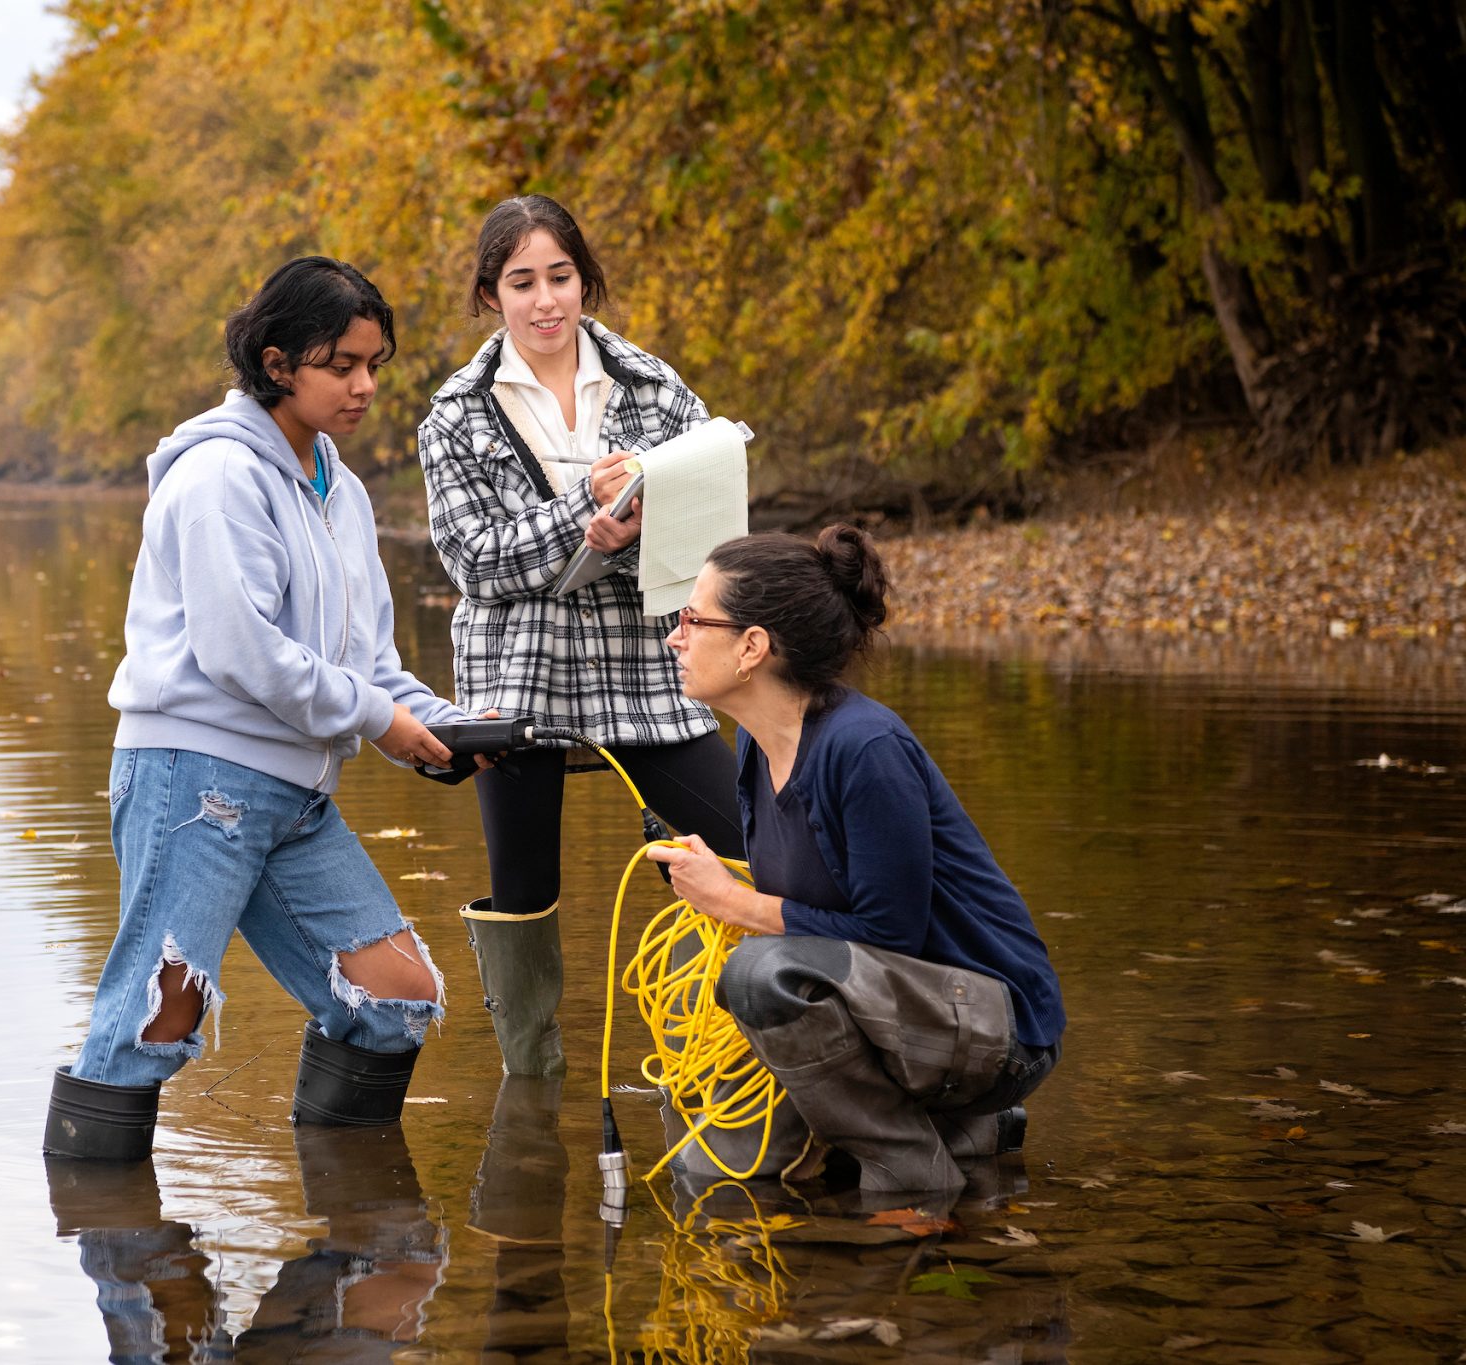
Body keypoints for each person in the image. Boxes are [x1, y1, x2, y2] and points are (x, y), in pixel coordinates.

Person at [44, 256, 475, 1162]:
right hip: (193, 779)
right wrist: (376, 720)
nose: (364, 387)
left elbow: (370, 665)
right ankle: (111, 1247)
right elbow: (240, 651)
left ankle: (349, 1235)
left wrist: (446, 726)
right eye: (342, 366)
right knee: (155, 1018)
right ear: (280, 364)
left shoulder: (342, 492)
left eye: (373, 365)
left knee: (394, 998)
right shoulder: (218, 479)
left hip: (294, 795)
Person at [418, 194, 746, 1077]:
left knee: (748, 843)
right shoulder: (453, 415)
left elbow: (714, 524)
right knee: (525, 888)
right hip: (516, 677)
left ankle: (715, 1039)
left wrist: (643, 532)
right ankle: (533, 1086)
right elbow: (476, 563)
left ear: (585, 278)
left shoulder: (657, 387)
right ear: (491, 294)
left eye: (559, 276)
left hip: (650, 669)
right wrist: (581, 517)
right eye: (520, 282)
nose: (544, 301)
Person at [645, 526, 1065, 1194]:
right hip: (897, 1013)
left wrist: (731, 898)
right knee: (721, 1169)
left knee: (759, 972)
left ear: (753, 646)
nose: (676, 635)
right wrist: (717, 898)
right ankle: (968, 1135)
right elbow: (812, 914)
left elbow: (888, 933)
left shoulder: (865, 748)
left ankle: (911, 1173)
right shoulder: (756, 745)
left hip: (998, 1028)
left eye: (694, 618)